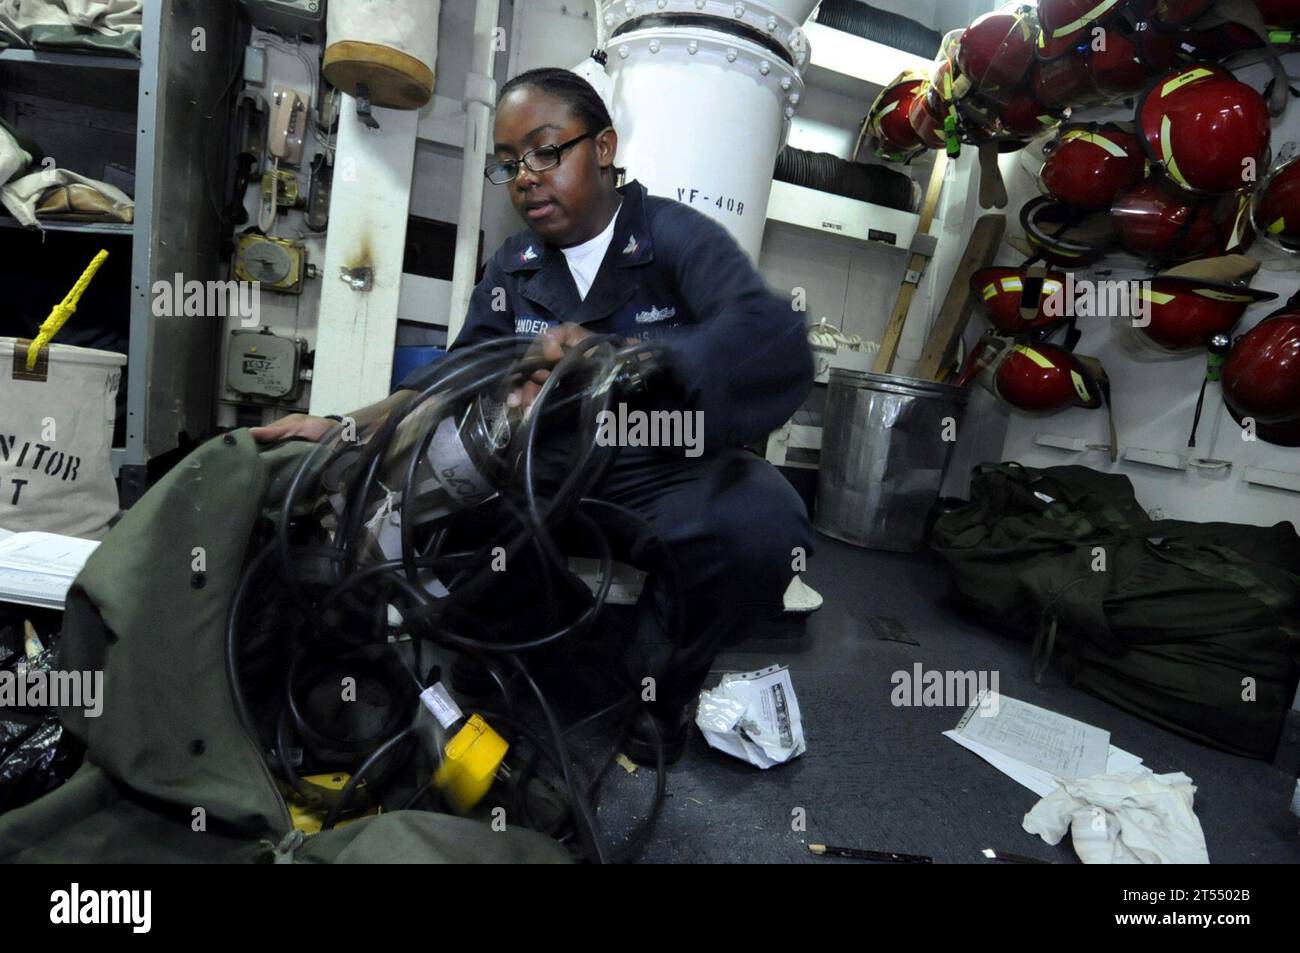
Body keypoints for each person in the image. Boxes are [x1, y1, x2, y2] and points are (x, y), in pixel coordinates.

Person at [252, 67, 814, 762]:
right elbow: (452, 380)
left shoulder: (673, 235)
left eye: (547, 151)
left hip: (656, 464)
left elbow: (768, 333)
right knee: (431, 503)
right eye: (511, 162)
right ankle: (528, 653)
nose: (526, 176)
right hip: (539, 466)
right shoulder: (514, 264)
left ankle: (657, 690)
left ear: (603, 148)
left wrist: (639, 357)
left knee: (759, 521)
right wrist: (344, 426)